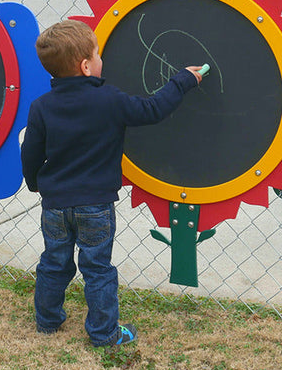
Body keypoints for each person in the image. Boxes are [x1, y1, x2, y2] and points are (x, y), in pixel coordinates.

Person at [20, 19, 203, 346]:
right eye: (98, 54)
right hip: (96, 207)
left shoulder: (41, 108)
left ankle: (47, 322)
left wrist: (35, 183)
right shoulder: (109, 99)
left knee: (54, 263)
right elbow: (153, 109)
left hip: (55, 207)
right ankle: (104, 333)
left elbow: (30, 153)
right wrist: (183, 80)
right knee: (97, 269)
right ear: (86, 65)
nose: (102, 59)